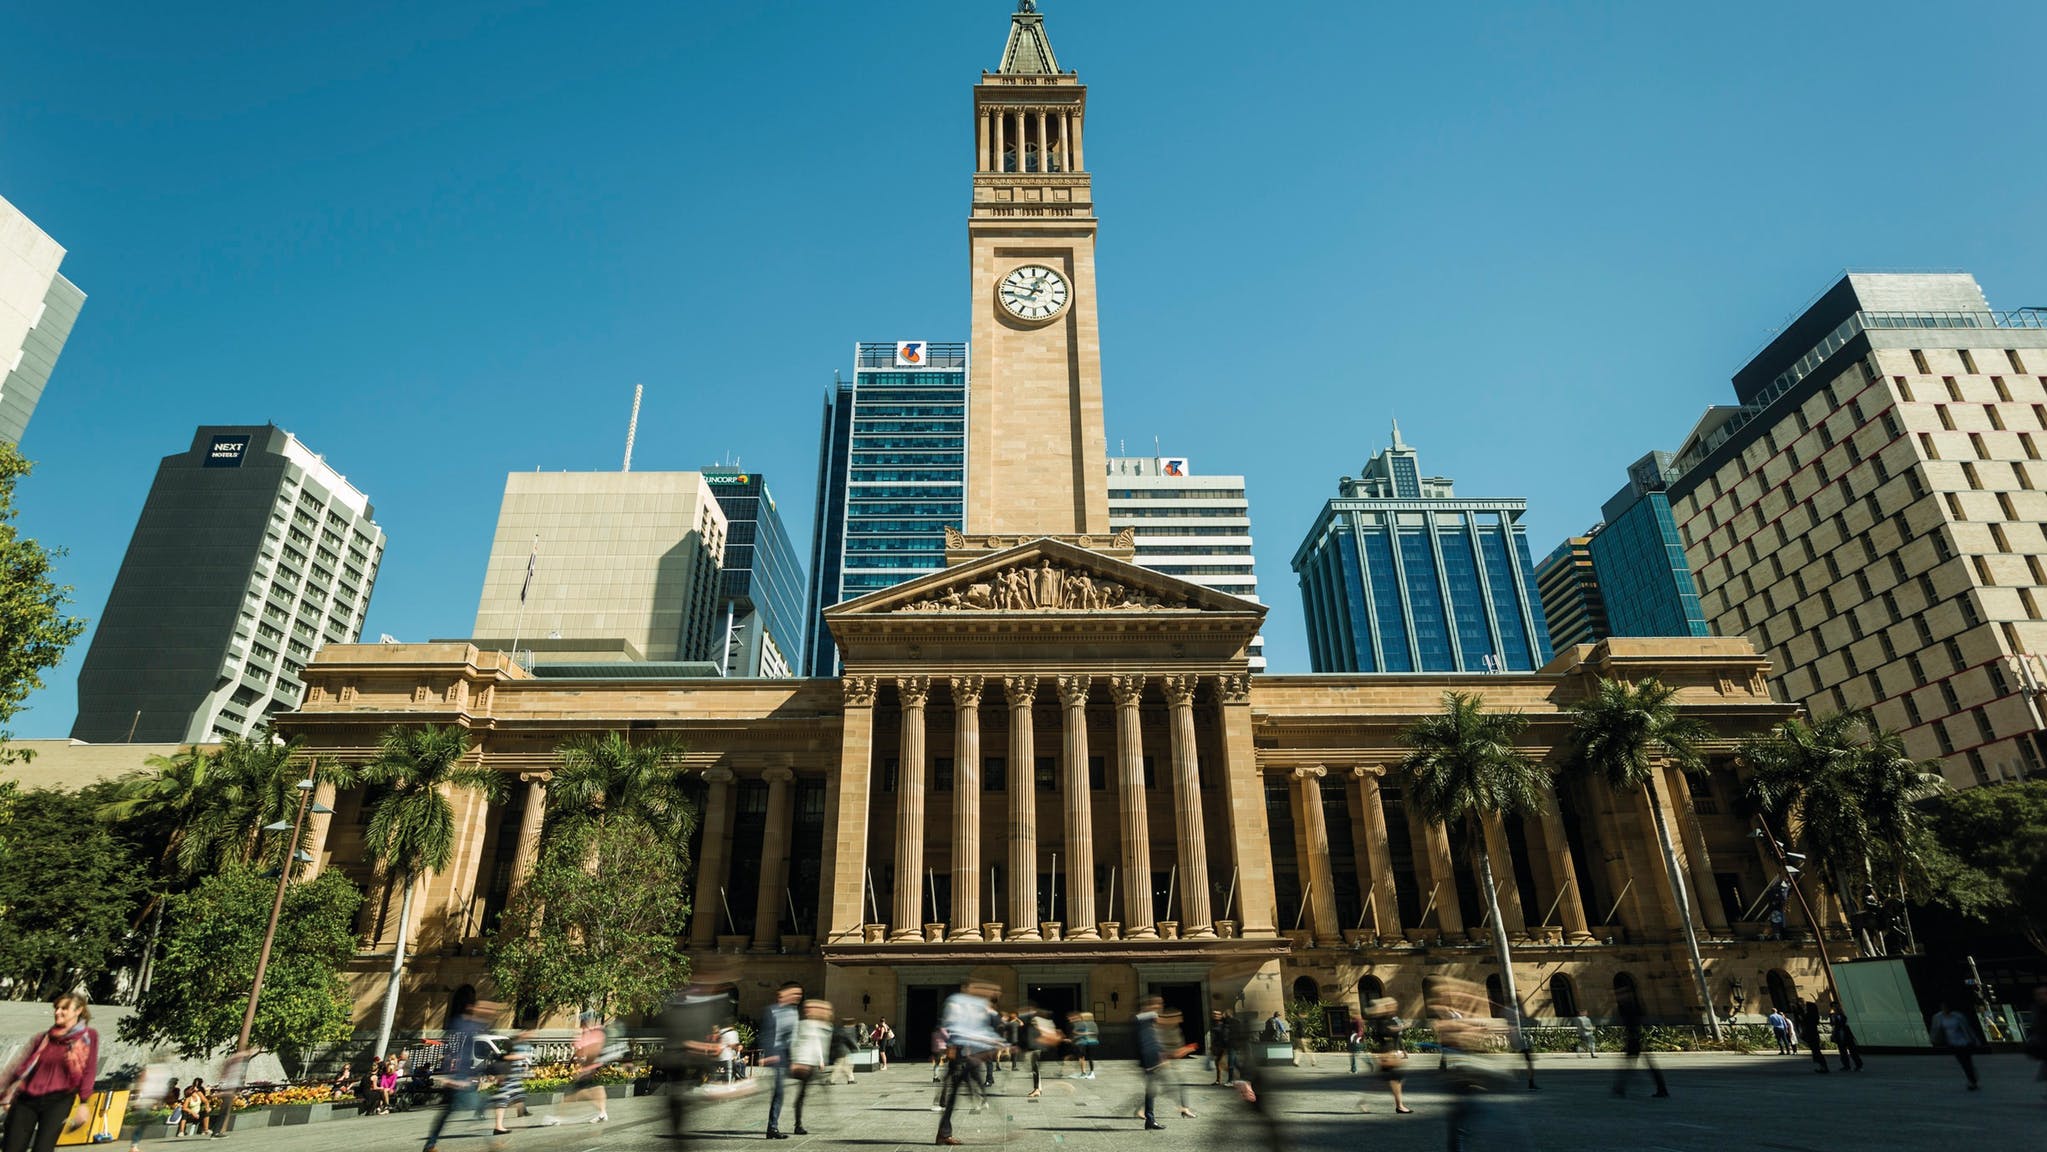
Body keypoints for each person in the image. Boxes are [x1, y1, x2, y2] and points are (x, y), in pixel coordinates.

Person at [0, 994, 100, 1152]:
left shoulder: (88, 1037)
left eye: (64, 1008)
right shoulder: (43, 1038)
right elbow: (20, 1066)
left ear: (78, 1011)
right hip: (27, 1099)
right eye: (56, 1008)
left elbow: (89, 1070)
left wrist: (83, 1103)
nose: (58, 1012)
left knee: (43, 1148)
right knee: (12, 1147)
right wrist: (5, 1092)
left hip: (59, 1100)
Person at [656, 959, 738, 1142]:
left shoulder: (704, 1005)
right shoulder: (681, 1004)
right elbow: (680, 1040)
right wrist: (709, 1047)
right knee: (678, 1125)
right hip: (679, 1065)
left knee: (681, 1127)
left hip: (691, 1067)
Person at [934, 981, 1003, 1147]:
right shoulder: (957, 1002)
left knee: (960, 1090)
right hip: (959, 1052)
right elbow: (953, 1025)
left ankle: (944, 1133)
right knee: (955, 1092)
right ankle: (943, 1133)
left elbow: (980, 1030)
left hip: (970, 1054)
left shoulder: (977, 1006)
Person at [421, 997, 492, 1152]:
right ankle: (491, 1145)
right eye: (486, 1009)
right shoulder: (462, 1027)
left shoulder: (476, 1027)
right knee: (479, 1104)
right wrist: (452, 1076)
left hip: (462, 1077)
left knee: (448, 1112)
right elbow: (454, 1051)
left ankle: (430, 1145)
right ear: (473, 1008)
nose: (489, 1013)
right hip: (458, 1078)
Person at [1611, 984, 1667, 1099]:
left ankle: (1620, 1088)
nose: (1618, 996)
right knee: (1635, 1065)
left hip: (1635, 1039)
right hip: (1635, 1038)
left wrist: (1633, 1037)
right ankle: (1620, 1088)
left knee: (1632, 1066)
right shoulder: (1628, 1005)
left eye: (1620, 994)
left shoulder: (1630, 1006)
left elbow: (1635, 1022)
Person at [761, 981, 801, 1139]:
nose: (797, 996)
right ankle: (772, 1128)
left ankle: (773, 1127)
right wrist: (768, 1054)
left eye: (799, 994)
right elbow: (765, 1034)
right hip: (775, 1055)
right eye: (794, 993)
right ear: (784, 993)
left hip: (784, 1056)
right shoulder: (771, 1010)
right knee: (779, 1091)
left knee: (779, 1093)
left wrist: (794, 1059)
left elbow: (793, 1037)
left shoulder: (793, 1012)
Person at [789, 999, 835, 1137]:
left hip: (813, 1064)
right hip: (803, 1063)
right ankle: (798, 1124)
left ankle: (827, 1117)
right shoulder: (801, 1024)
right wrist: (795, 1061)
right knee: (802, 1095)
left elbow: (818, 1044)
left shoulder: (818, 1025)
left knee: (822, 1091)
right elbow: (793, 1043)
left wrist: (821, 1061)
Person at [1360, 998, 1412, 1115]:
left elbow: (1397, 1036)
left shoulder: (1394, 1019)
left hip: (1393, 1053)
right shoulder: (1381, 1020)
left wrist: (1403, 1049)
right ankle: (1400, 1106)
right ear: (1386, 1006)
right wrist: (1403, 1027)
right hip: (1386, 1053)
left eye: (1394, 1005)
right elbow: (1386, 1032)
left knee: (1386, 1080)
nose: (1393, 1007)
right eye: (1391, 1005)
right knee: (1395, 1079)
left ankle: (1364, 1101)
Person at [562, 1011, 616, 1124]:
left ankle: (601, 1112)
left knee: (581, 1092)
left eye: (582, 1021)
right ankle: (602, 1112)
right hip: (594, 1066)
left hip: (591, 1066)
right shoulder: (595, 1031)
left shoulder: (591, 1033)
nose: (582, 1023)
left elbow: (585, 1051)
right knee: (596, 1088)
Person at [490, 1031, 537, 1137]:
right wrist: (520, 1057)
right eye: (530, 1033)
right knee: (502, 1100)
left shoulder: (522, 1043)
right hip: (507, 1076)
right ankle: (498, 1126)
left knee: (516, 1096)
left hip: (512, 1077)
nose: (532, 1035)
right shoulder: (512, 1043)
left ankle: (519, 1113)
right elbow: (504, 1057)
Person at [1929, 1001, 1981, 1090]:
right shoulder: (1938, 1017)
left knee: (1966, 1062)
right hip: (1953, 1043)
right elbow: (1935, 1030)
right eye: (1943, 1008)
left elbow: (1967, 1029)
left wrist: (1975, 1040)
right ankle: (1972, 1078)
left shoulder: (1958, 1017)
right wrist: (1933, 1039)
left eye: (1946, 1008)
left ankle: (1972, 1081)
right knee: (1963, 1062)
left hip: (1964, 1043)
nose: (1945, 1010)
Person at [1134, 997, 1167, 1131]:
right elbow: (1146, 1043)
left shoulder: (1145, 1021)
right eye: (1156, 1004)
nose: (1159, 1006)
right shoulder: (1142, 1019)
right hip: (1150, 1061)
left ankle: (1149, 1119)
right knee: (1151, 1090)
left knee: (1151, 1090)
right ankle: (1149, 1119)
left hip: (1152, 1059)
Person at [1828, 1002, 1864, 1072]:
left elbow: (1845, 1022)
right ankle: (1846, 1066)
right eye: (1834, 1007)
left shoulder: (1844, 1013)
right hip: (1839, 1034)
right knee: (1842, 1051)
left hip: (1847, 1034)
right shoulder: (1832, 1015)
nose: (1836, 1008)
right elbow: (1832, 1024)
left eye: (1837, 1006)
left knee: (1852, 1050)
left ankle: (1858, 1065)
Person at [1799, 1000, 1829, 1073]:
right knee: (1816, 1051)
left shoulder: (1809, 1016)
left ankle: (1823, 1067)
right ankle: (1822, 1066)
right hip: (1814, 1035)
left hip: (1811, 1035)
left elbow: (1804, 1022)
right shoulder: (1814, 1016)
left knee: (1816, 1051)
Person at [1070, 1012, 1099, 1078]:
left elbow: (1076, 1031)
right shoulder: (1092, 1023)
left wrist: (1085, 1033)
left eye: (1082, 1017)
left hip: (1089, 1042)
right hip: (1090, 1042)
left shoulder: (1085, 1024)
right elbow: (1096, 1032)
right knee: (1088, 1057)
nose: (1081, 1018)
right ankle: (1089, 1073)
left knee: (1086, 1057)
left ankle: (1090, 1073)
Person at [1209, 1012, 1233, 1086]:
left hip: (1225, 1046)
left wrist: (1225, 1047)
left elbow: (1224, 1036)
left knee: (1227, 1064)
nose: (1215, 1016)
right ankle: (1218, 1080)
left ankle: (1231, 1080)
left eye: (1217, 1015)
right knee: (1218, 1062)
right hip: (1219, 1046)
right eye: (1214, 1014)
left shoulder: (1223, 1024)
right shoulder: (1214, 1024)